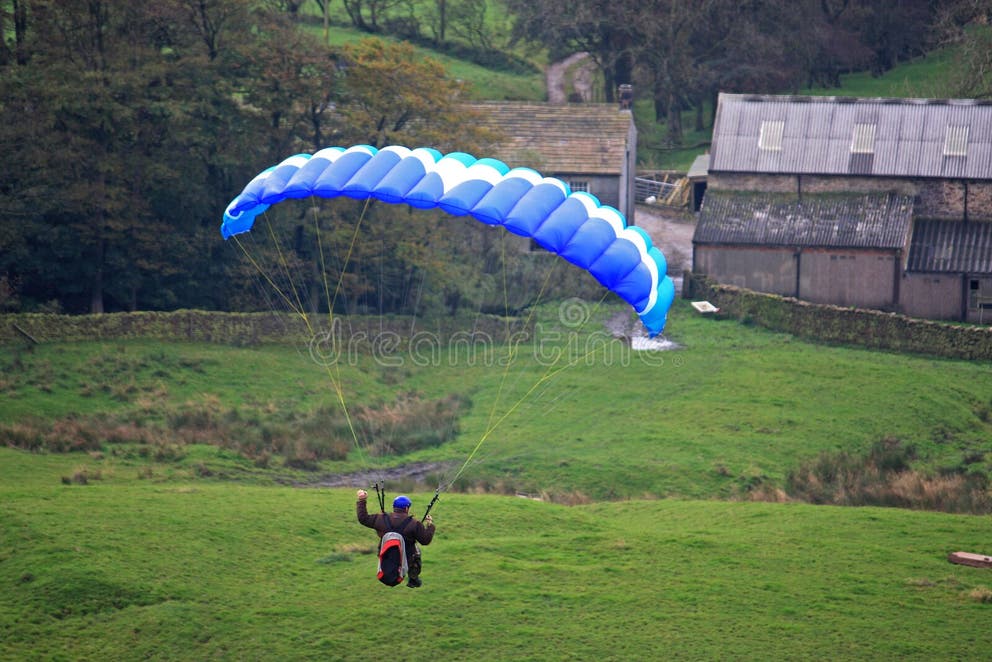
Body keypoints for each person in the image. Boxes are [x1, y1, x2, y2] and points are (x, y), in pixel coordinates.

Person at [356, 490, 435, 588]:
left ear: (394, 507)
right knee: (417, 552)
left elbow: (363, 518)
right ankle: (413, 578)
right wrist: (430, 525)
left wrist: (362, 500)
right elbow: (425, 540)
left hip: (386, 554)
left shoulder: (381, 519)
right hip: (407, 558)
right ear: (406, 508)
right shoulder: (414, 524)